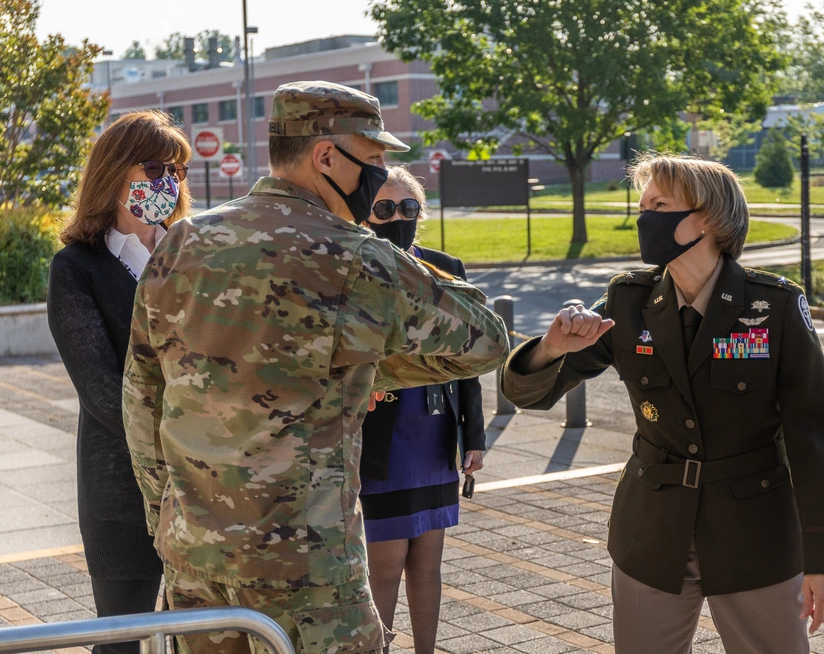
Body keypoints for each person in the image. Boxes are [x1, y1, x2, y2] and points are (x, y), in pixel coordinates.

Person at [121, 81, 509, 654]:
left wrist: (168, 517)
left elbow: (142, 398)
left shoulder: (184, 241)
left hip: (194, 558)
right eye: (374, 160)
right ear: (327, 156)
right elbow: (486, 340)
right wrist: (366, 343)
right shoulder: (354, 255)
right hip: (306, 571)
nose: (378, 175)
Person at [500, 154, 824, 654]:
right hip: (652, 531)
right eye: (641, 206)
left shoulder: (772, 306)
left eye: (659, 205)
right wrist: (552, 346)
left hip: (755, 531)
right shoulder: (627, 301)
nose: (645, 218)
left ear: (708, 217)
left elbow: (816, 437)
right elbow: (527, 392)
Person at [47, 110, 192, 654]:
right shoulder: (76, 268)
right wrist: (186, 440)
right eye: (155, 166)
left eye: (178, 169)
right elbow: (102, 390)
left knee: (200, 632)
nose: (169, 181)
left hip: (202, 486)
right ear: (114, 173)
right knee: (121, 637)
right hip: (122, 487)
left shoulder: (194, 253)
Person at [358, 167, 485, 654]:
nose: (397, 217)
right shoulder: (354, 268)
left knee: (428, 563)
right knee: (385, 563)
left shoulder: (444, 265)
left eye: (408, 207)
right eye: (384, 208)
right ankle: (379, 649)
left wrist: (473, 436)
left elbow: (470, 359)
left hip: (433, 434)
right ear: (366, 214)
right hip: (381, 438)